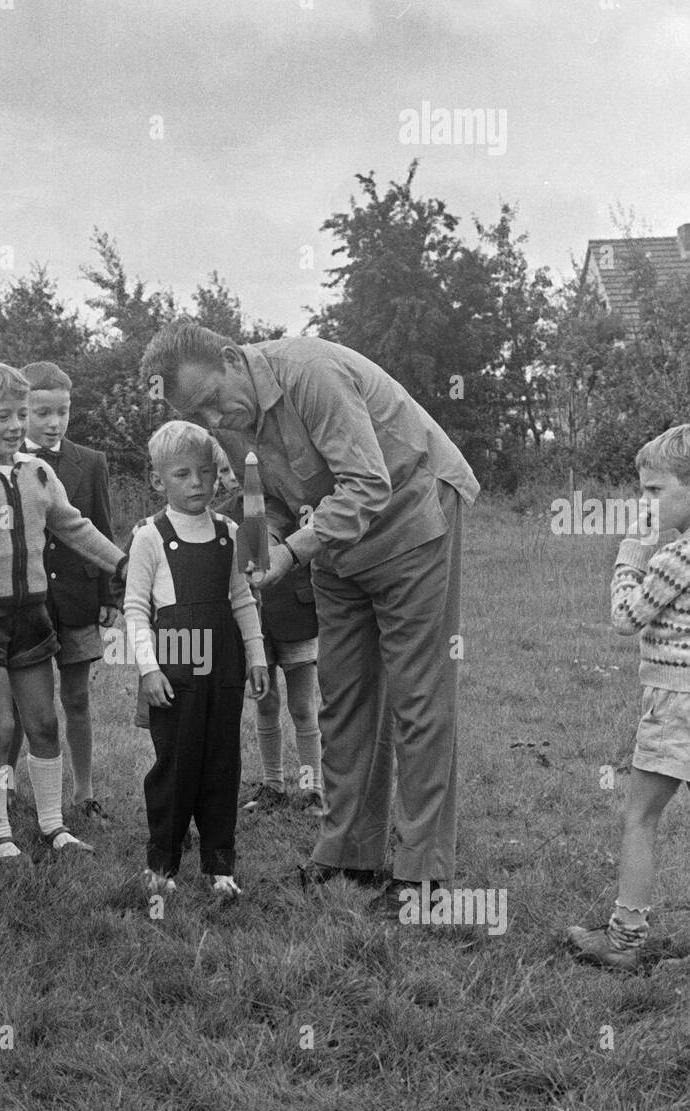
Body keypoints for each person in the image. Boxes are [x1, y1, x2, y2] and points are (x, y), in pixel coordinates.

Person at [139, 320, 478, 902]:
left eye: (214, 401)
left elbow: (367, 484)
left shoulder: (311, 373)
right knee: (343, 693)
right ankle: (350, 853)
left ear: (231, 358)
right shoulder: (234, 420)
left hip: (411, 517)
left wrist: (292, 551)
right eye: (201, 415)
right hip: (333, 544)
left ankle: (422, 873)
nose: (216, 422)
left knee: (417, 696)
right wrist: (265, 543)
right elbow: (271, 503)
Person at [568, 425, 690, 975]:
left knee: (640, 819)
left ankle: (624, 942)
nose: (644, 502)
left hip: (675, 709)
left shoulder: (674, 558)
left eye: (653, 491)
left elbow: (626, 618)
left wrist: (629, 556)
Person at [0, 361, 127, 863]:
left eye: (22, 414)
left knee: (44, 724)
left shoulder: (38, 472)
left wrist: (124, 565)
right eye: (4, 416)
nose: (17, 426)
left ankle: (54, 826)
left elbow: (75, 527)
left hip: (34, 618)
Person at [126, 422, 268, 902]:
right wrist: (149, 668)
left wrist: (257, 656)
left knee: (222, 763)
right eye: (183, 474)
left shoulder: (229, 533)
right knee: (177, 763)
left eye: (205, 473)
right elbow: (135, 609)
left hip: (224, 665)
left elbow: (242, 598)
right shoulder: (149, 536)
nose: (197, 484)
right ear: (158, 481)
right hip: (177, 664)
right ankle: (161, 862)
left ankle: (220, 865)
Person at [5, 362, 121, 825]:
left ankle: (84, 792)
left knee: (76, 697)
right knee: (18, 702)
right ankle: (6, 784)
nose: (54, 423)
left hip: (77, 598)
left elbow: (100, 527)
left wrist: (112, 594)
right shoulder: (3, 461)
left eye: (63, 412)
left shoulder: (90, 462)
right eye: (42, 413)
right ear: (23, 412)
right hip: (24, 600)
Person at [213, 441, 324, 816]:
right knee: (266, 703)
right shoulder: (221, 518)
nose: (234, 480)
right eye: (226, 472)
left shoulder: (293, 508)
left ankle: (312, 788)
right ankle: (272, 784)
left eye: (241, 473)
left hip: (296, 616)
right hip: (253, 628)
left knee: (303, 706)